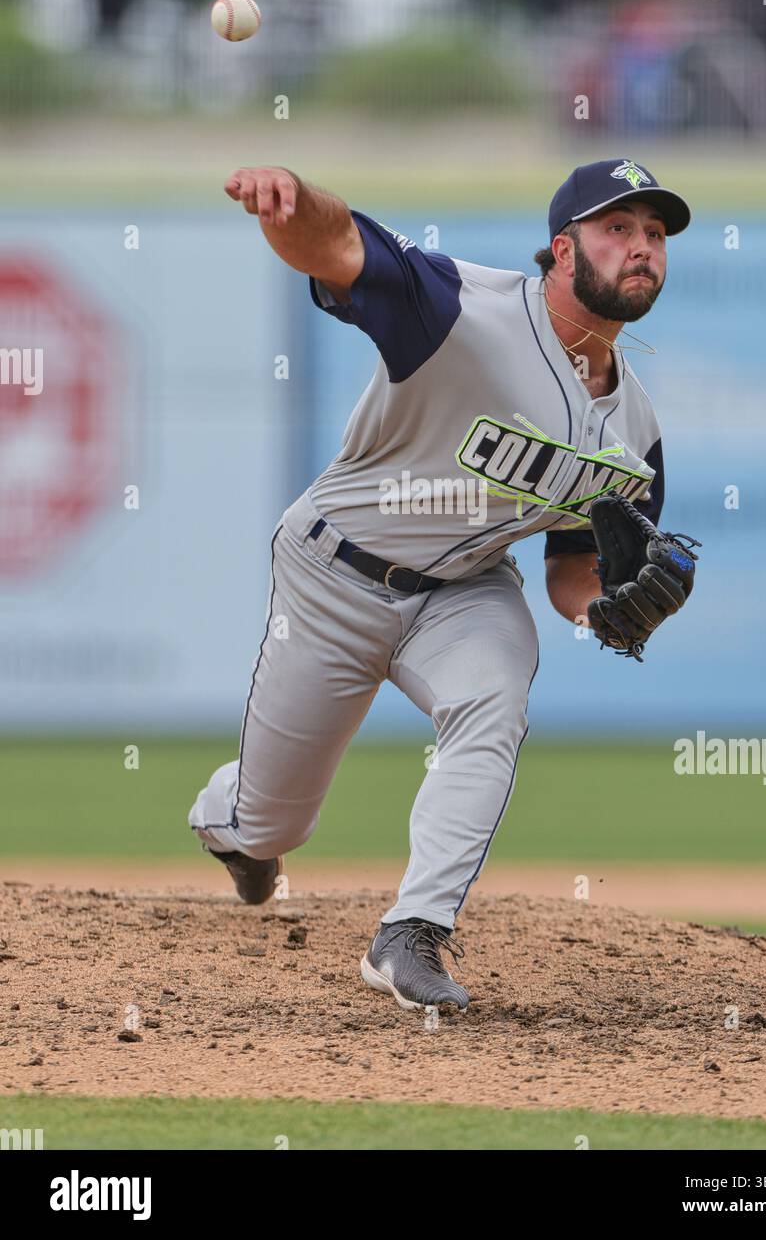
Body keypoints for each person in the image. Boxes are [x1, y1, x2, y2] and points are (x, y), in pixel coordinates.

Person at [189, 158, 691, 1011]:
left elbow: (573, 567)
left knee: (496, 693)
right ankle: (232, 825)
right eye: (617, 229)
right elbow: (340, 245)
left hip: (464, 588)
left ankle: (411, 934)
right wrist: (290, 198)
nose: (639, 247)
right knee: (273, 824)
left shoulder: (632, 435)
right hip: (333, 573)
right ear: (561, 250)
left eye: (653, 234)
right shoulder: (465, 307)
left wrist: (602, 609)